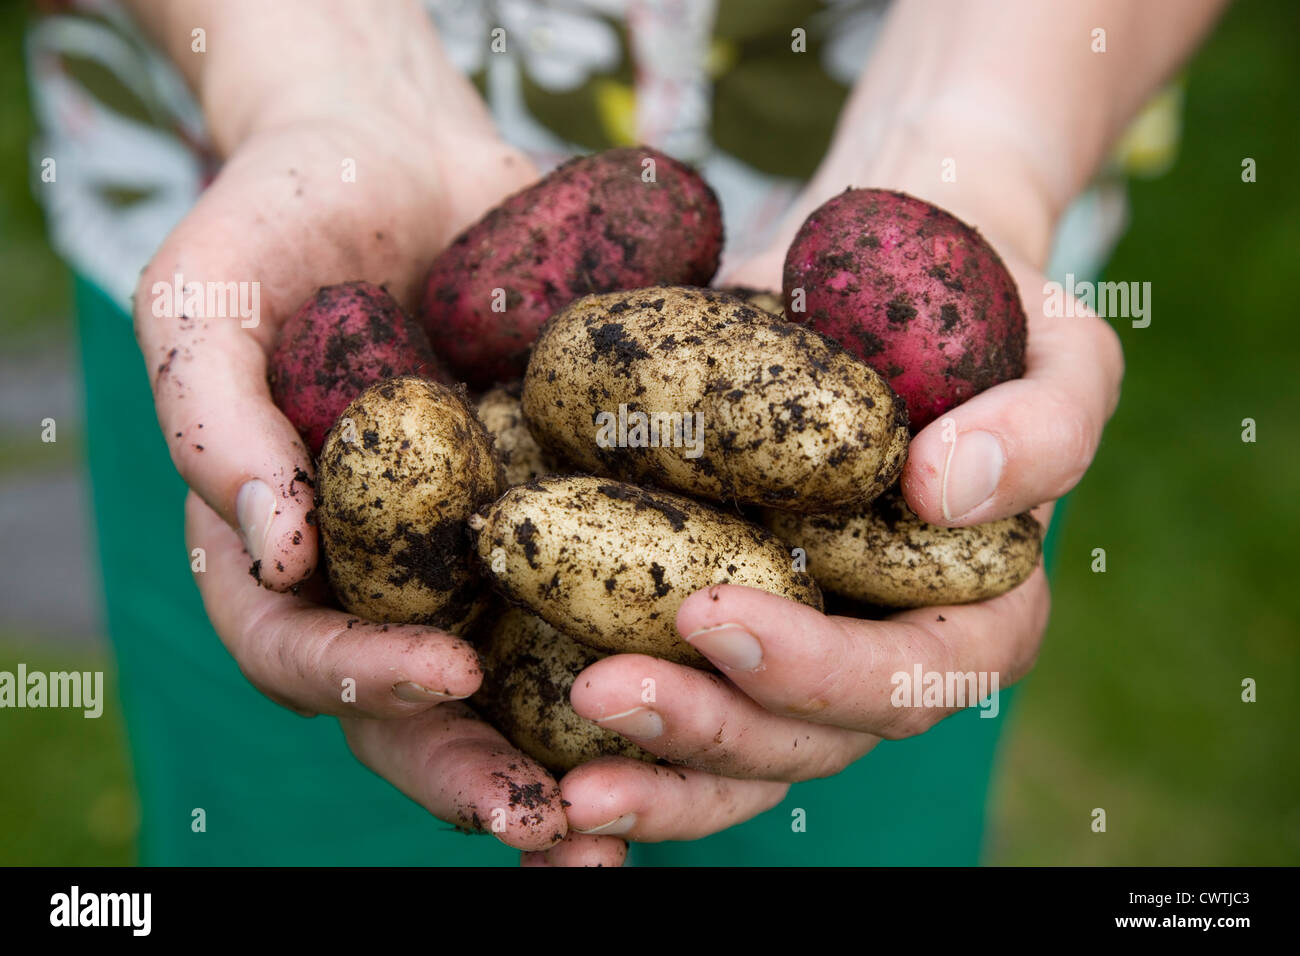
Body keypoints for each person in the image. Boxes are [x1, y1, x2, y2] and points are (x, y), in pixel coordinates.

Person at [29, 0, 1224, 866]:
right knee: (285, 797)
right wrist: (305, 77)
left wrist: (989, 139)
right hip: (229, 148)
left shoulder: (849, 424)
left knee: (843, 774)